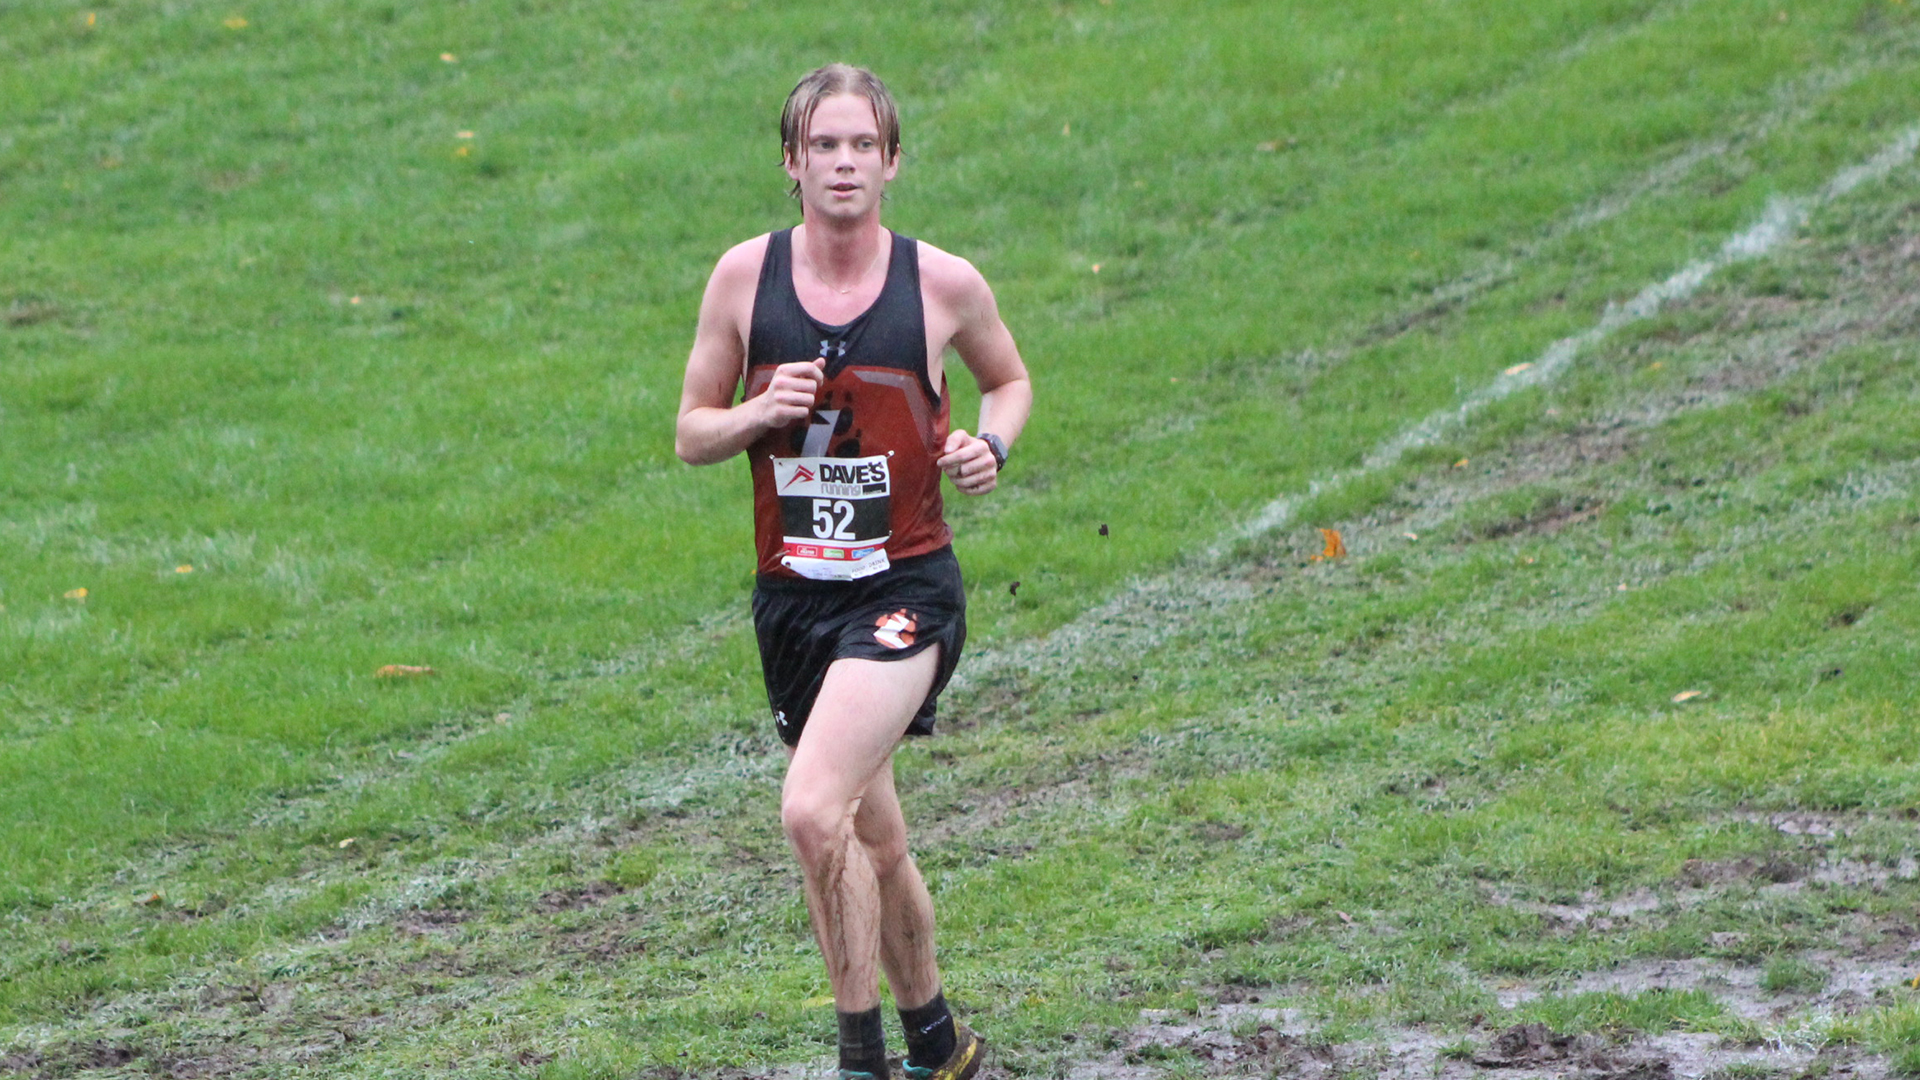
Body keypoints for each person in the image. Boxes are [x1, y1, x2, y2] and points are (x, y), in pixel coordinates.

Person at [674, 64, 1032, 1080]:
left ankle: (860, 1061)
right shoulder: (745, 279)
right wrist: (757, 412)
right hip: (793, 605)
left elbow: (1007, 381)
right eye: (824, 146)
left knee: (809, 808)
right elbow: (692, 433)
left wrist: (988, 449)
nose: (843, 163)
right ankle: (940, 1044)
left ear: (893, 162)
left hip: (905, 594)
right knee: (872, 838)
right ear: (791, 163)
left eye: (862, 146)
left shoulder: (942, 283)